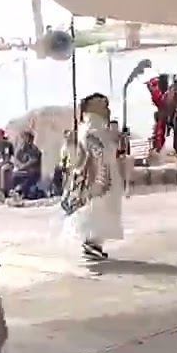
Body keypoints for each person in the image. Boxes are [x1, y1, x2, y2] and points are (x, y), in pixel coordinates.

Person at [62, 93, 125, 261]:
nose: (107, 109)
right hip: (100, 178)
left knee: (102, 210)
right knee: (97, 210)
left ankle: (93, 243)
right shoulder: (92, 129)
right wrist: (101, 179)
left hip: (104, 176)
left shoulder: (96, 128)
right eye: (102, 105)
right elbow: (95, 155)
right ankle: (91, 243)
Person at [11, 130, 43, 199]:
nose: (24, 140)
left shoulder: (34, 150)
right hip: (25, 172)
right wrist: (18, 165)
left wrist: (22, 167)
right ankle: (16, 191)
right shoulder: (22, 149)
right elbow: (16, 158)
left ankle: (20, 191)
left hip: (34, 173)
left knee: (31, 192)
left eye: (25, 138)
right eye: (23, 138)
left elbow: (33, 161)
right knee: (14, 175)